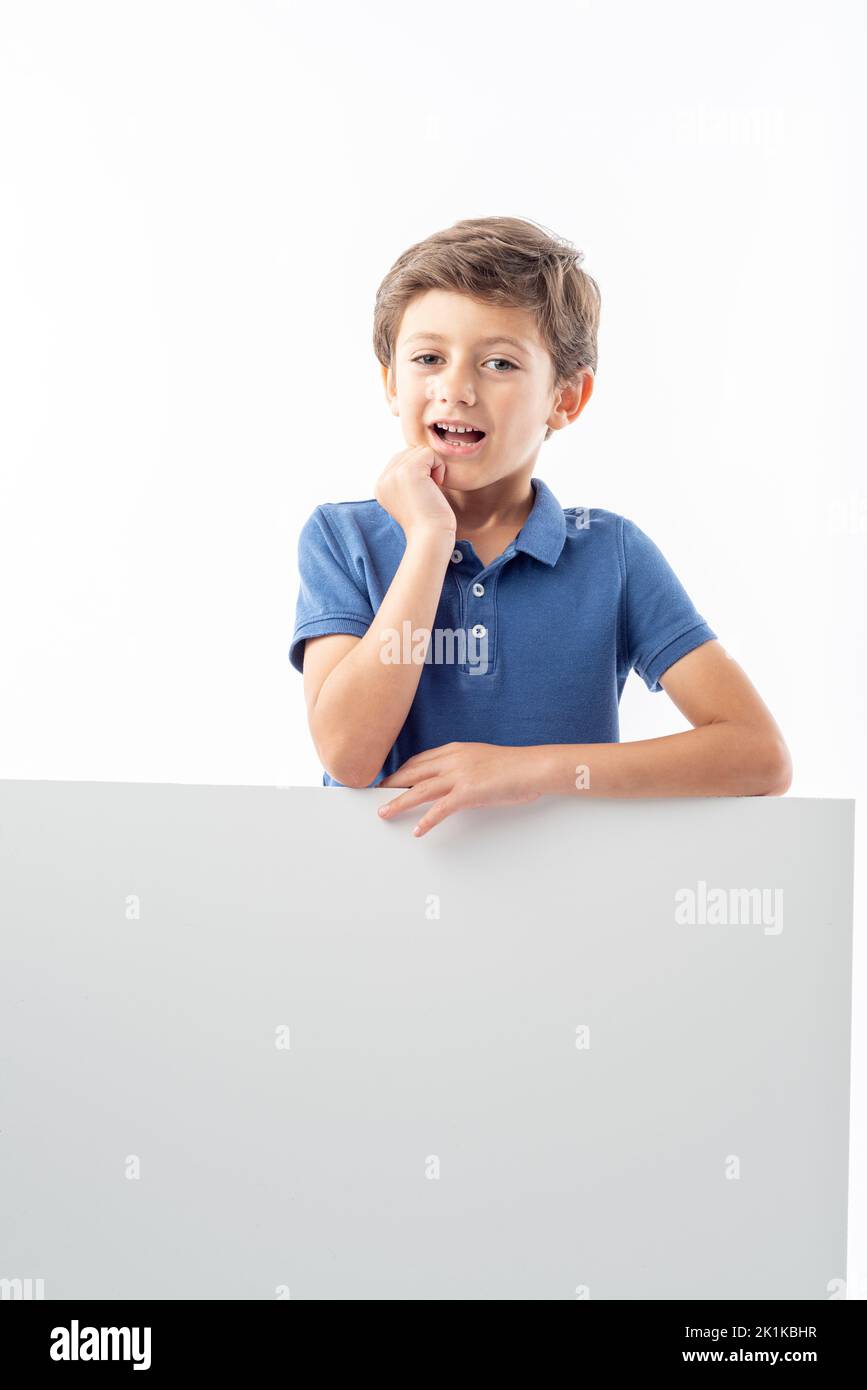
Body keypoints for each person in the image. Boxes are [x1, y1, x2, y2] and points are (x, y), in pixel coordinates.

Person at [289, 215, 792, 836]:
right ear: (393, 382)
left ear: (566, 399)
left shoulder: (612, 553)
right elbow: (350, 755)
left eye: (499, 363)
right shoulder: (343, 540)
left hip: (563, 909)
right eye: (428, 358)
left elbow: (758, 757)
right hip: (377, 906)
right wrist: (428, 539)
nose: (456, 389)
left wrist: (530, 771)